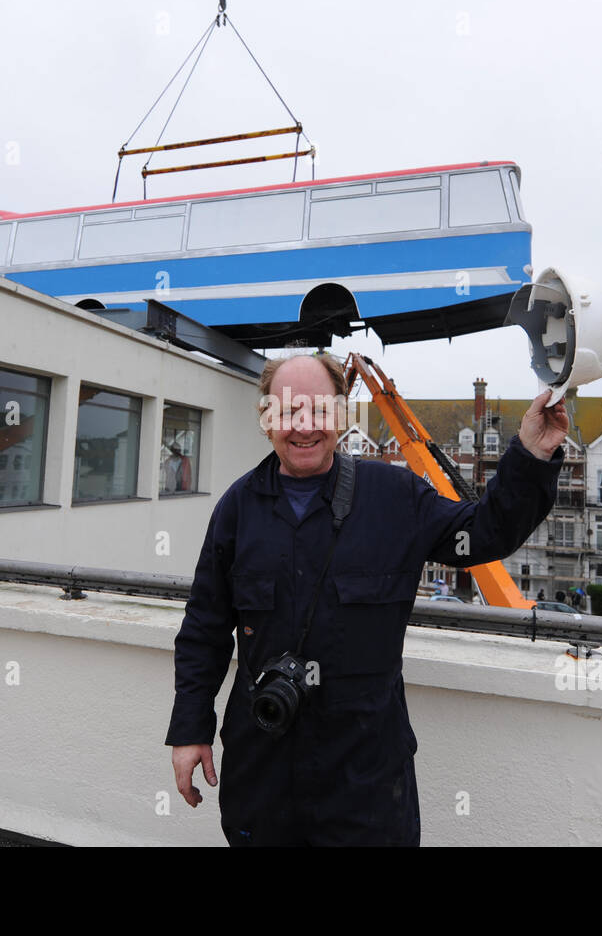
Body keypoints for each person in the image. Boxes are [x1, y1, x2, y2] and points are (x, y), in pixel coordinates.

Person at [166, 353, 567, 846]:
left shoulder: (394, 496)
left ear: (341, 415)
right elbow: (204, 627)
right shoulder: (237, 509)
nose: (304, 426)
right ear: (267, 419)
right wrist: (190, 730)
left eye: (319, 409)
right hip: (263, 777)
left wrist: (531, 454)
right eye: (289, 411)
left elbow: (483, 534)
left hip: (368, 786)